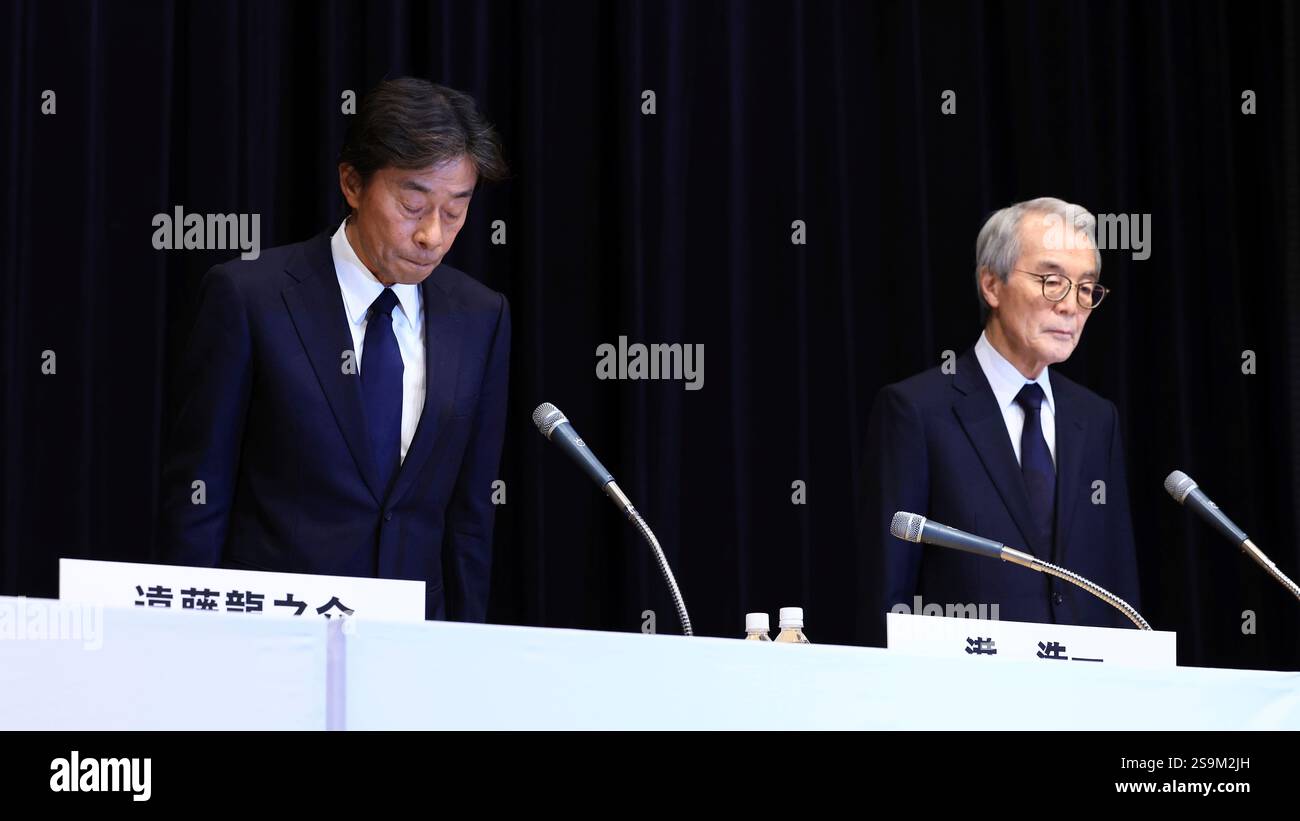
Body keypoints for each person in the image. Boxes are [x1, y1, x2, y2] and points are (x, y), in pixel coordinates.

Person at [159, 78, 510, 622]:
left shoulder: (481, 316)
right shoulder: (251, 298)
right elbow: (199, 495)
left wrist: (464, 649)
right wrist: (186, 639)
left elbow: (470, 517)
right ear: (352, 183)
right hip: (273, 634)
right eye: (413, 205)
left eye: (456, 210)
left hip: (411, 643)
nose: (433, 236)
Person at [860, 197, 1141, 644]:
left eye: (1086, 287)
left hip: (1085, 698)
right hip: (965, 696)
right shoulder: (917, 410)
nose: (1071, 306)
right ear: (991, 285)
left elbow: (1118, 585)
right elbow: (887, 595)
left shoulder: (1096, 418)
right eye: (1052, 281)